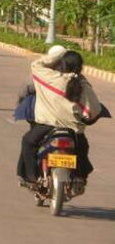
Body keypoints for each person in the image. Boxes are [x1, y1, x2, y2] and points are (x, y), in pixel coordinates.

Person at [17, 46, 102, 189]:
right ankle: (79, 178)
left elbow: (36, 65)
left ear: (60, 63)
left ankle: (32, 179)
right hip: (73, 130)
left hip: (46, 126)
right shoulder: (83, 85)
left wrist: (57, 55)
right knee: (82, 148)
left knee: (28, 142)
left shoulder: (49, 77)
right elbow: (95, 111)